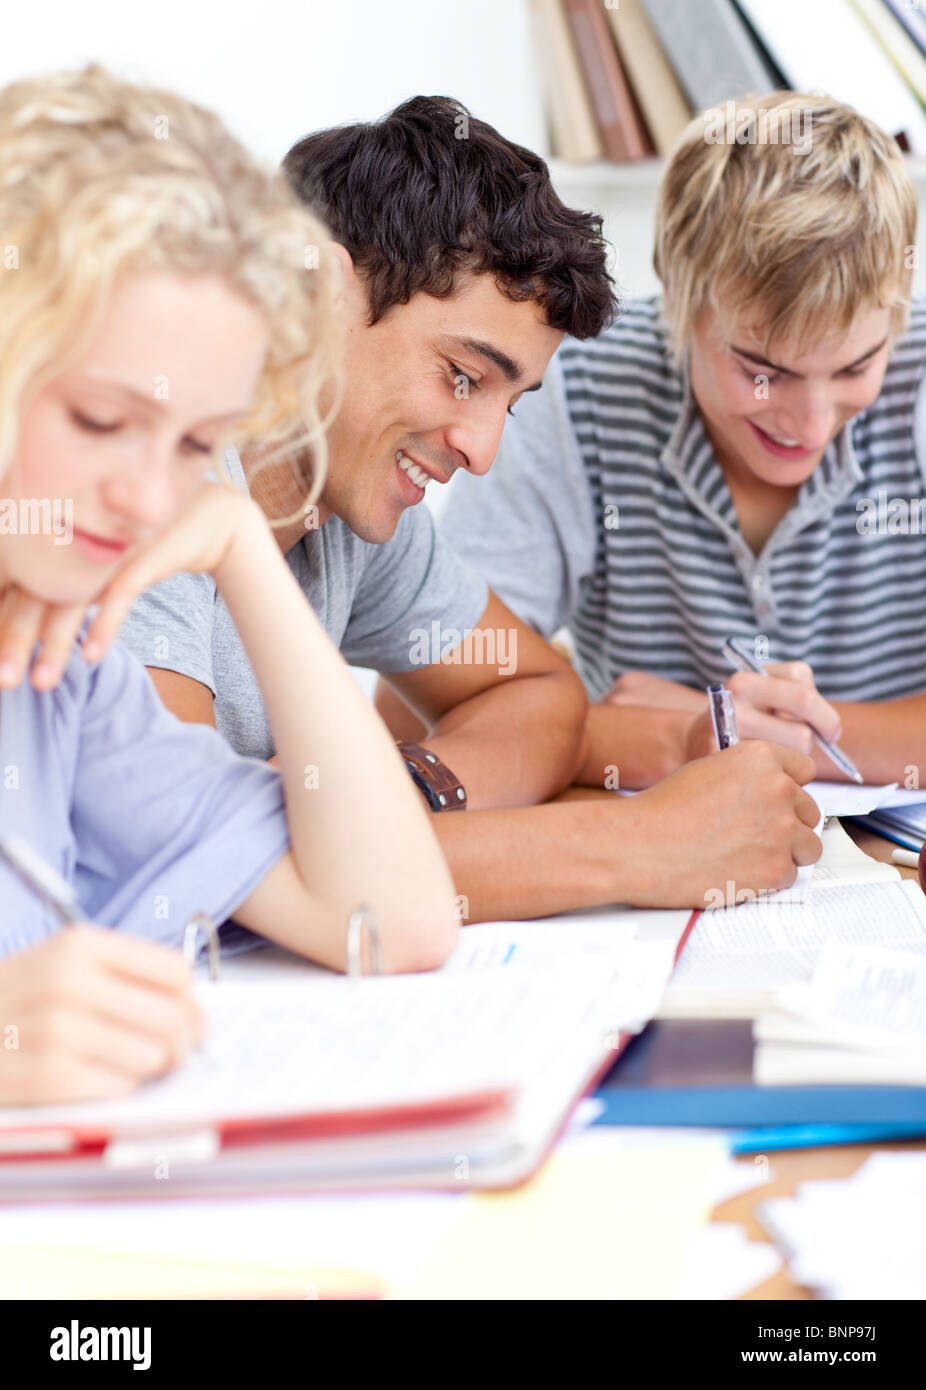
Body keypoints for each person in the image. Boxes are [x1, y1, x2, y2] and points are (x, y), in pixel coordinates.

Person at [118, 95, 821, 923]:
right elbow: (193, 844)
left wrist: (411, 790)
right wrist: (640, 846)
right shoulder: (141, 474)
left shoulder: (351, 517)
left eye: (511, 402)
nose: (482, 451)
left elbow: (537, 693)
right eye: (463, 375)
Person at [0, 66, 458, 1106]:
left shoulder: (57, 663)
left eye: (195, 443)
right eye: (99, 420)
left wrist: (239, 543)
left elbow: (390, 921)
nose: (144, 494)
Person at [434, 91, 926, 792]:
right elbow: (423, 704)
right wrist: (684, 737)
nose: (812, 424)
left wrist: (727, 732)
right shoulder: (574, 385)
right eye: (762, 370)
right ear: (678, 301)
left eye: (855, 366)